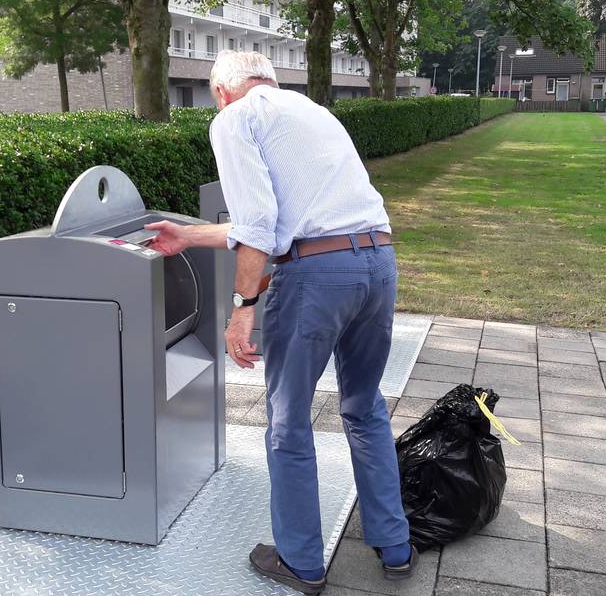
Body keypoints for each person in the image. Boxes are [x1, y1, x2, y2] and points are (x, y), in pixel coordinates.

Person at [143, 51, 415, 595]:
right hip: (378, 262)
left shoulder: (234, 119)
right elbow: (283, 221)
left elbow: (261, 228)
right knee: (364, 406)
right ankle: (395, 544)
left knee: (288, 421)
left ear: (221, 92)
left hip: (318, 279)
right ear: (267, 79)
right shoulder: (311, 111)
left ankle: (300, 562)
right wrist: (189, 235)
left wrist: (242, 309)